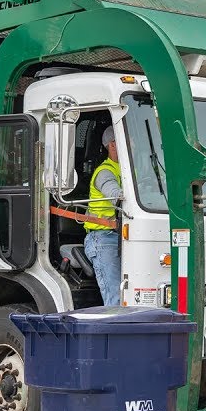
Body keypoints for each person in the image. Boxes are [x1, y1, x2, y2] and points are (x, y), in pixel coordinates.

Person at [85, 125, 122, 306]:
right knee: (115, 298)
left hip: (124, 236)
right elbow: (116, 194)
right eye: (127, 139)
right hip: (103, 238)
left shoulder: (130, 171)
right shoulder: (105, 172)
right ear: (113, 144)